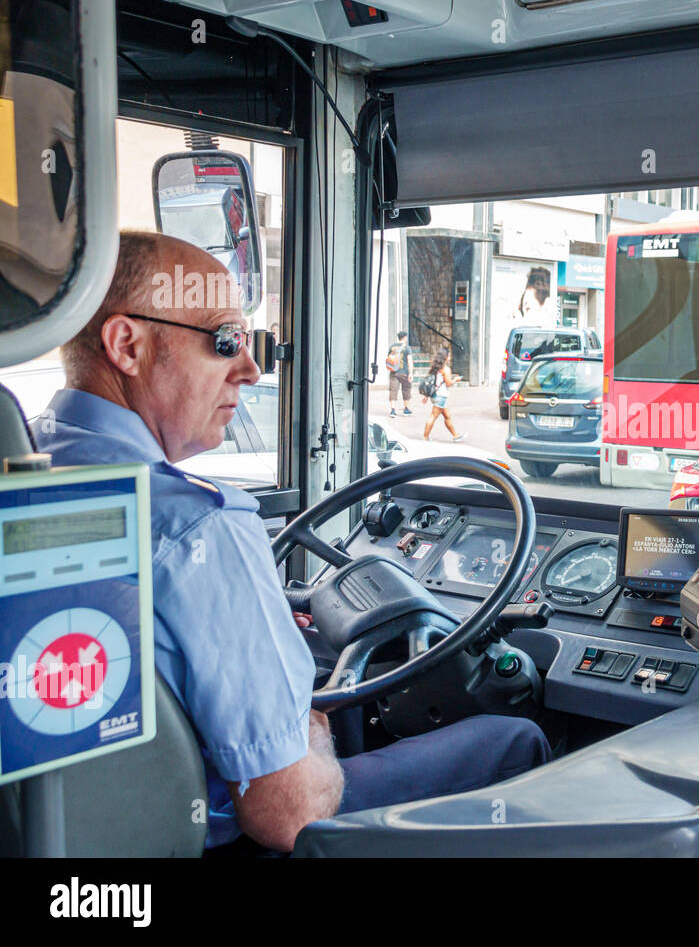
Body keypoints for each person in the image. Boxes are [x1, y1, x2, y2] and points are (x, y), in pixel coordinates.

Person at [34, 231, 550, 852]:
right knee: (513, 740)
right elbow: (289, 816)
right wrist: (306, 725)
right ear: (127, 345)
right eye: (225, 340)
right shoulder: (202, 526)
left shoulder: (30, 471)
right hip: (222, 837)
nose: (251, 368)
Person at [422, 346, 467, 442]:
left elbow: (431, 382)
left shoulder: (435, 367)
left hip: (435, 395)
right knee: (433, 416)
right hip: (440, 396)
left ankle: (455, 435)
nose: (450, 357)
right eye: (449, 355)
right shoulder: (446, 369)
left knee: (447, 415)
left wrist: (426, 396)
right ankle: (425, 437)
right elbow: (448, 383)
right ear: (445, 357)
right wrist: (456, 379)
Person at [386, 330, 413, 417]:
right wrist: (411, 372)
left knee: (393, 390)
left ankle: (393, 410)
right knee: (406, 390)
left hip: (394, 372)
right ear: (404, 337)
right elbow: (410, 361)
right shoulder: (407, 348)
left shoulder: (392, 347)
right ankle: (406, 409)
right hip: (404, 372)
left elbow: (389, 359)